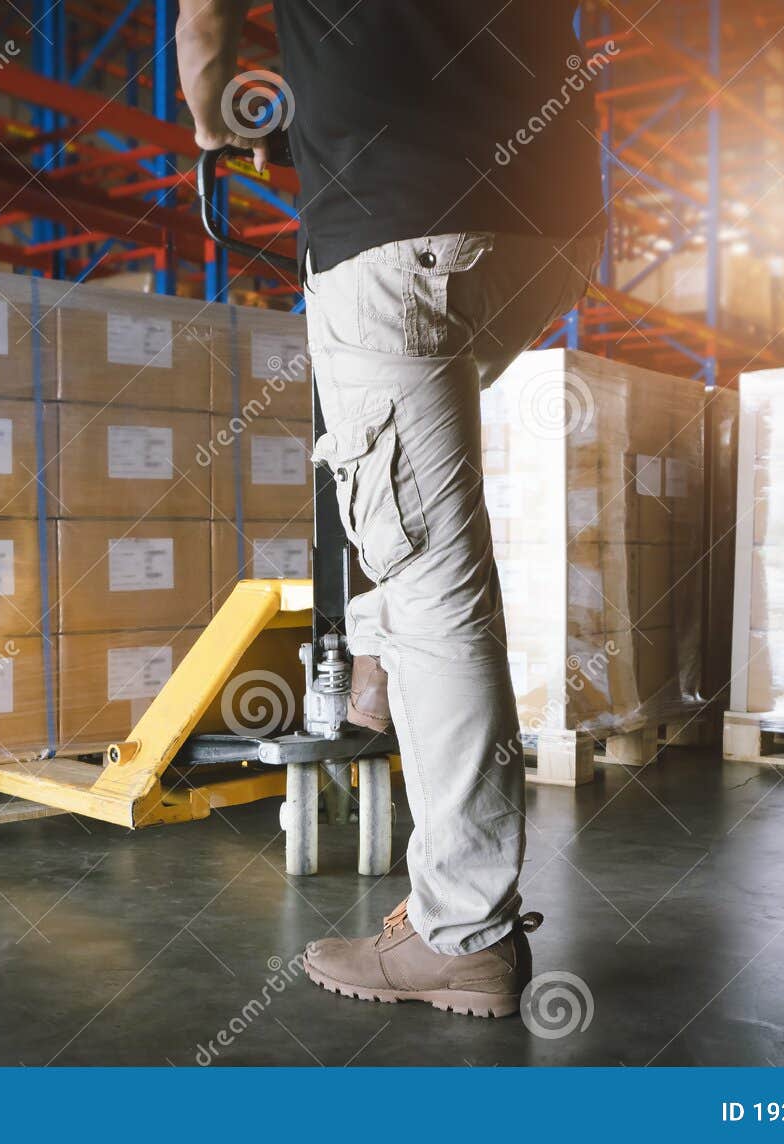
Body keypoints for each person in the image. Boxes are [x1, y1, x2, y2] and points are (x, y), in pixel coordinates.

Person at [178, 0, 603, 1018]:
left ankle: (463, 932)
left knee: (432, 577)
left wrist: (216, 122)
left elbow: (203, 30)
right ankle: (377, 656)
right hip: (552, 220)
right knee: (404, 493)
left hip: (396, 216)